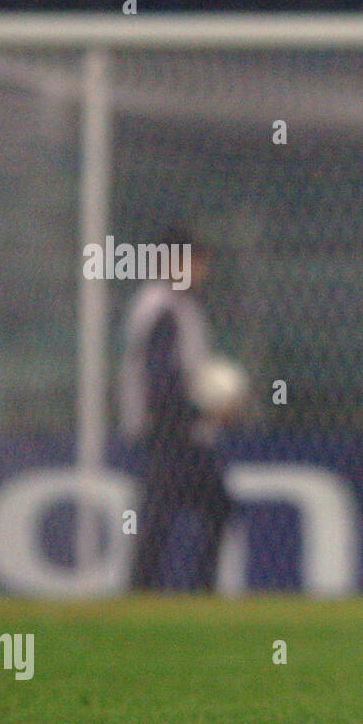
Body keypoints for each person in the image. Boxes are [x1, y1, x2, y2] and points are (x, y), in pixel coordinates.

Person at [120, 228, 235, 592]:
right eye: (194, 262)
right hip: (169, 432)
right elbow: (162, 380)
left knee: (182, 511)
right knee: (183, 511)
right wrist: (202, 413)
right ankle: (174, 590)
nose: (201, 271)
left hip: (174, 430)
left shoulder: (175, 307)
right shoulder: (164, 310)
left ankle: (148, 591)